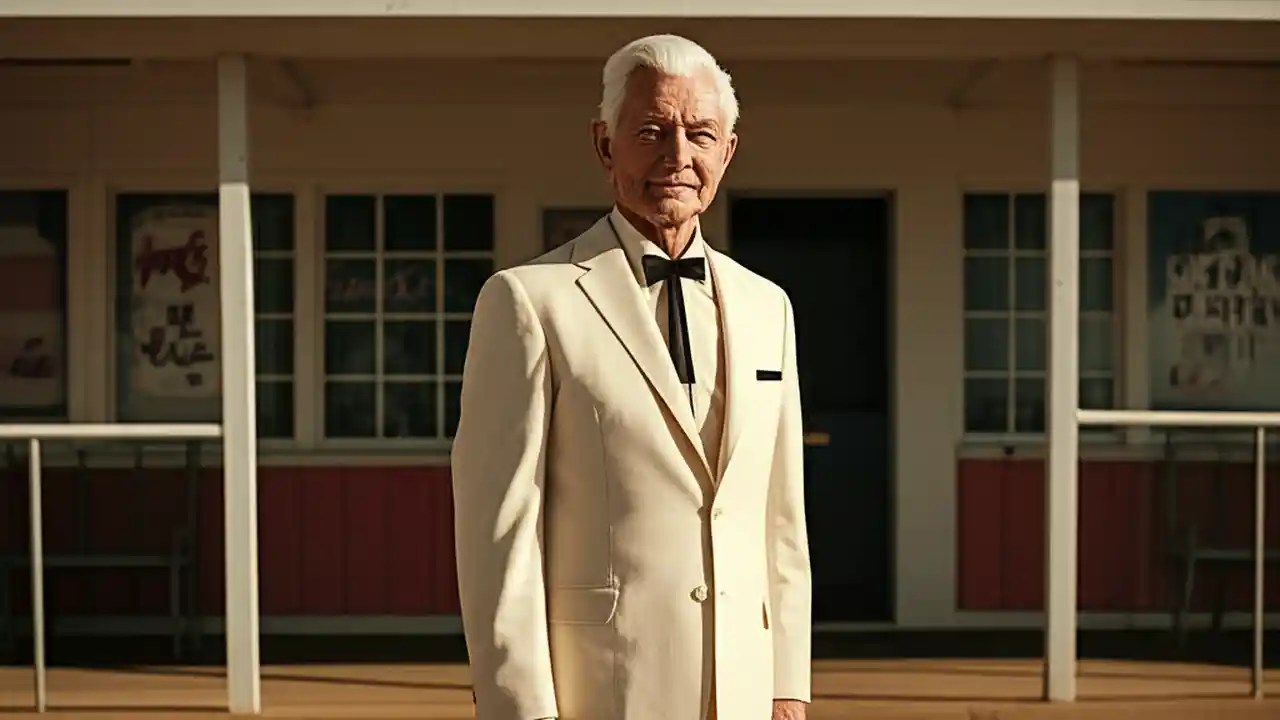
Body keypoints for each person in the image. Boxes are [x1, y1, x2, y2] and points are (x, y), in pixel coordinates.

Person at [451, 33, 811, 720]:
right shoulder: (530, 300)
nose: (677, 156)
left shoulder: (770, 307)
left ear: (727, 152)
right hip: (604, 690)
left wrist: (786, 681)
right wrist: (518, 706)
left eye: (700, 134)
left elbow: (780, 515)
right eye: (651, 131)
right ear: (605, 145)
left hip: (741, 689)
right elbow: (499, 534)